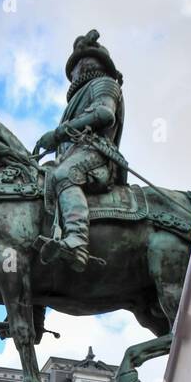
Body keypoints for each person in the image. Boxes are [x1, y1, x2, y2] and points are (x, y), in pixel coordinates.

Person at [32, 29, 126, 271]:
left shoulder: (104, 84)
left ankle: (77, 242)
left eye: (78, 64)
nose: (75, 70)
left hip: (97, 155)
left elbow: (104, 114)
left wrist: (58, 133)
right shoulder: (79, 95)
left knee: (65, 175)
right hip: (73, 154)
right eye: (74, 66)